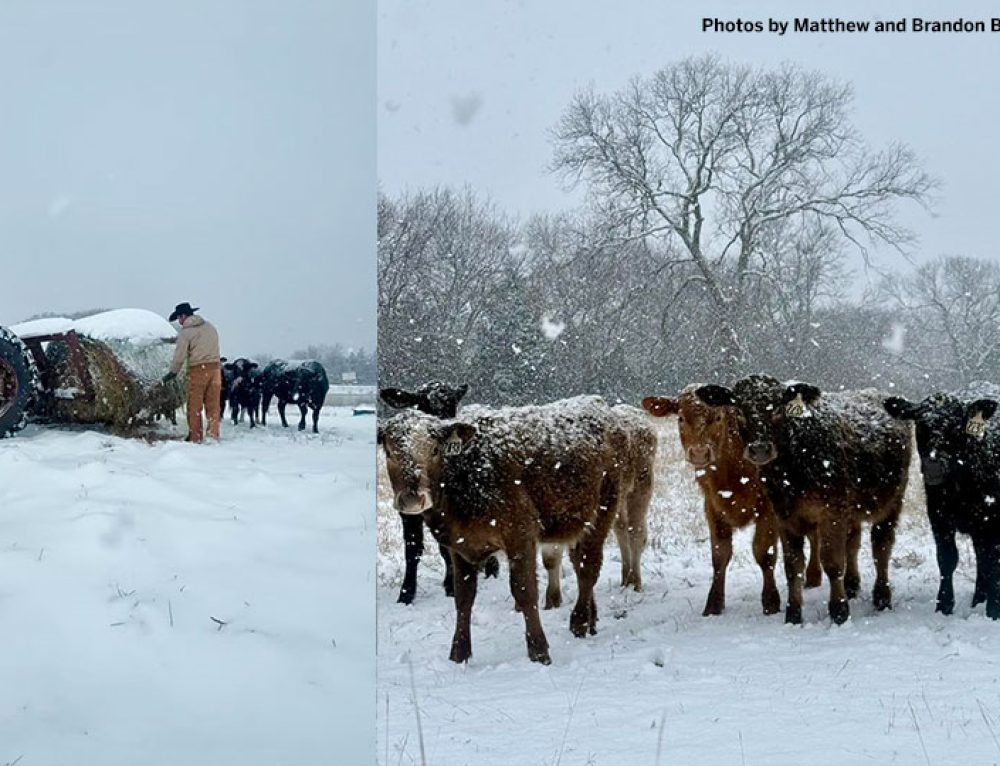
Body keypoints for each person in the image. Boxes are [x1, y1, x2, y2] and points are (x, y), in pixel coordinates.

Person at [162, 302, 222, 443]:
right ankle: (213, 435)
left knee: (194, 406)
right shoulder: (210, 327)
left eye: (179, 318)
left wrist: (172, 373)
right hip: (216, 370)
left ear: (183, 316)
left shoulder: (186, 332)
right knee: (213, 405)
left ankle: (195, 437)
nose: (179, 322)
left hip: (198, 370)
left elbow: (179, 356)